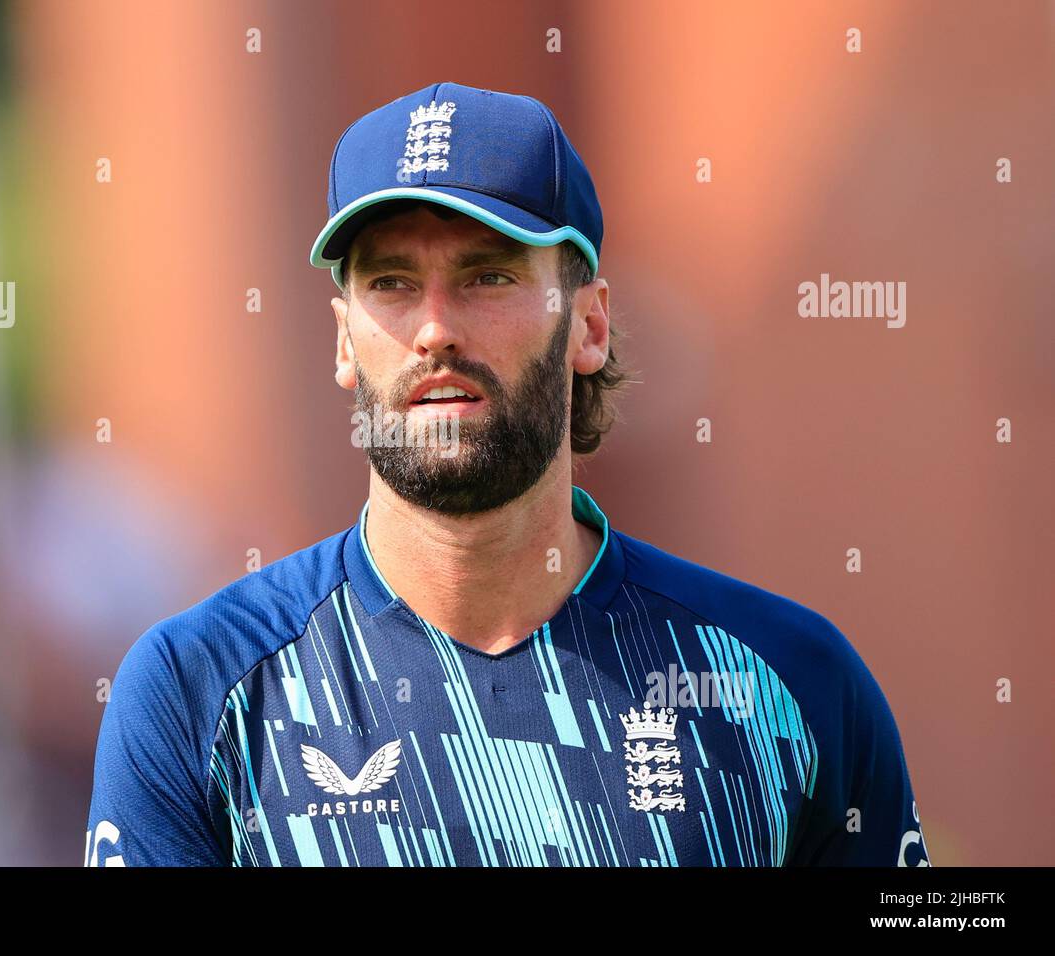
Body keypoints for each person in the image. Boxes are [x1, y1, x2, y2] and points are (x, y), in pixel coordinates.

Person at [84, 81, 930, 867]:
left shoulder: (787, 683)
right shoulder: (201, 690)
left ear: (590, 326)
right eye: (392, 282)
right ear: (345, 340)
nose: (435, 330)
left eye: (488, 275)